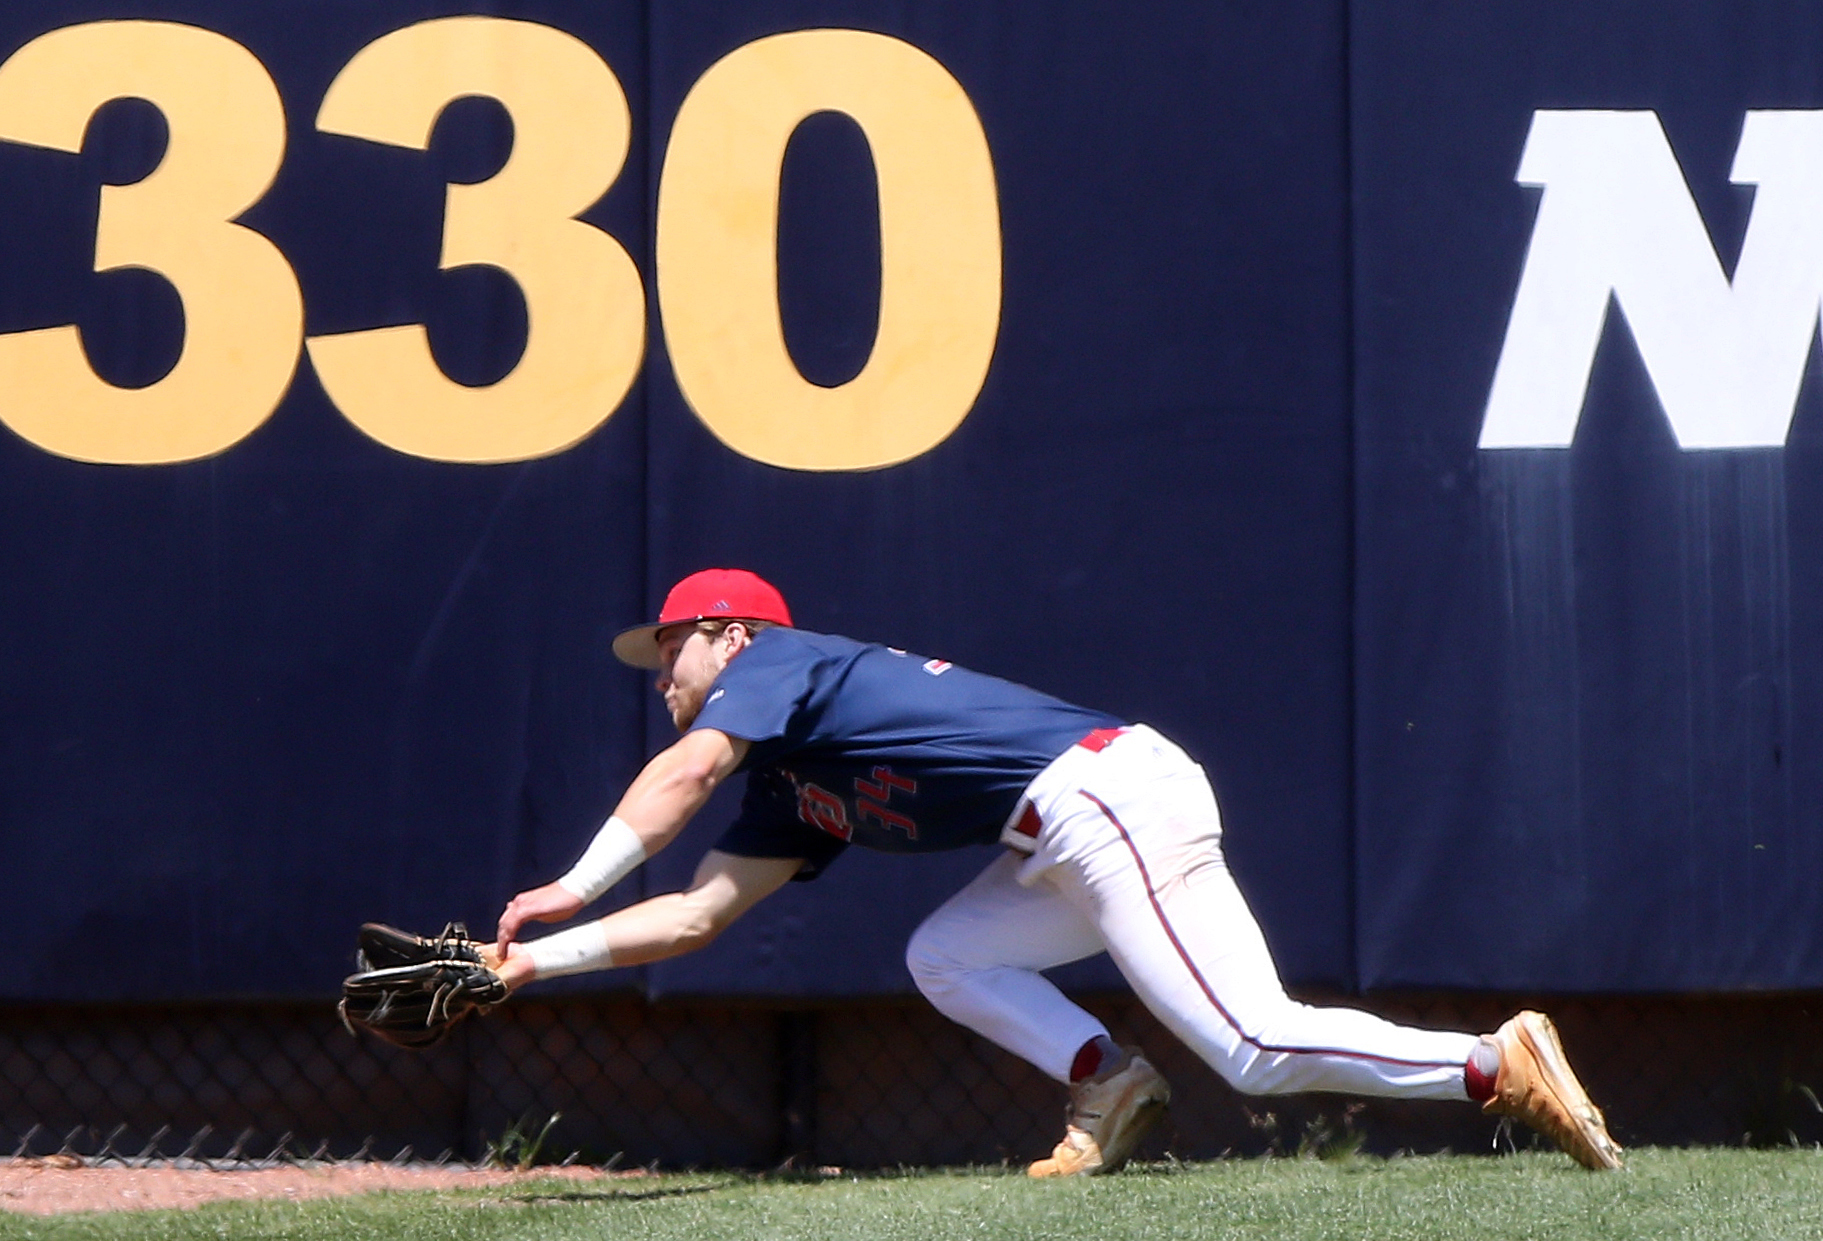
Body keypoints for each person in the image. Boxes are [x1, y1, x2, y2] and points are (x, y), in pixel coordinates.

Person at [487, 568, 1623, 1175]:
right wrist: (531, 961)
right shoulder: (787, 776)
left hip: (1104, 800)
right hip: (1062, 833)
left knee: (1254, 1047)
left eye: (672, 646)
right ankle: (1109, 1081)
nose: (661, 672)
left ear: (732, 636)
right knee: (945, 953)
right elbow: (697, 915)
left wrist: (575, 882)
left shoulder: (777, 662)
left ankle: (1492, 1062)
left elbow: (686, 769)